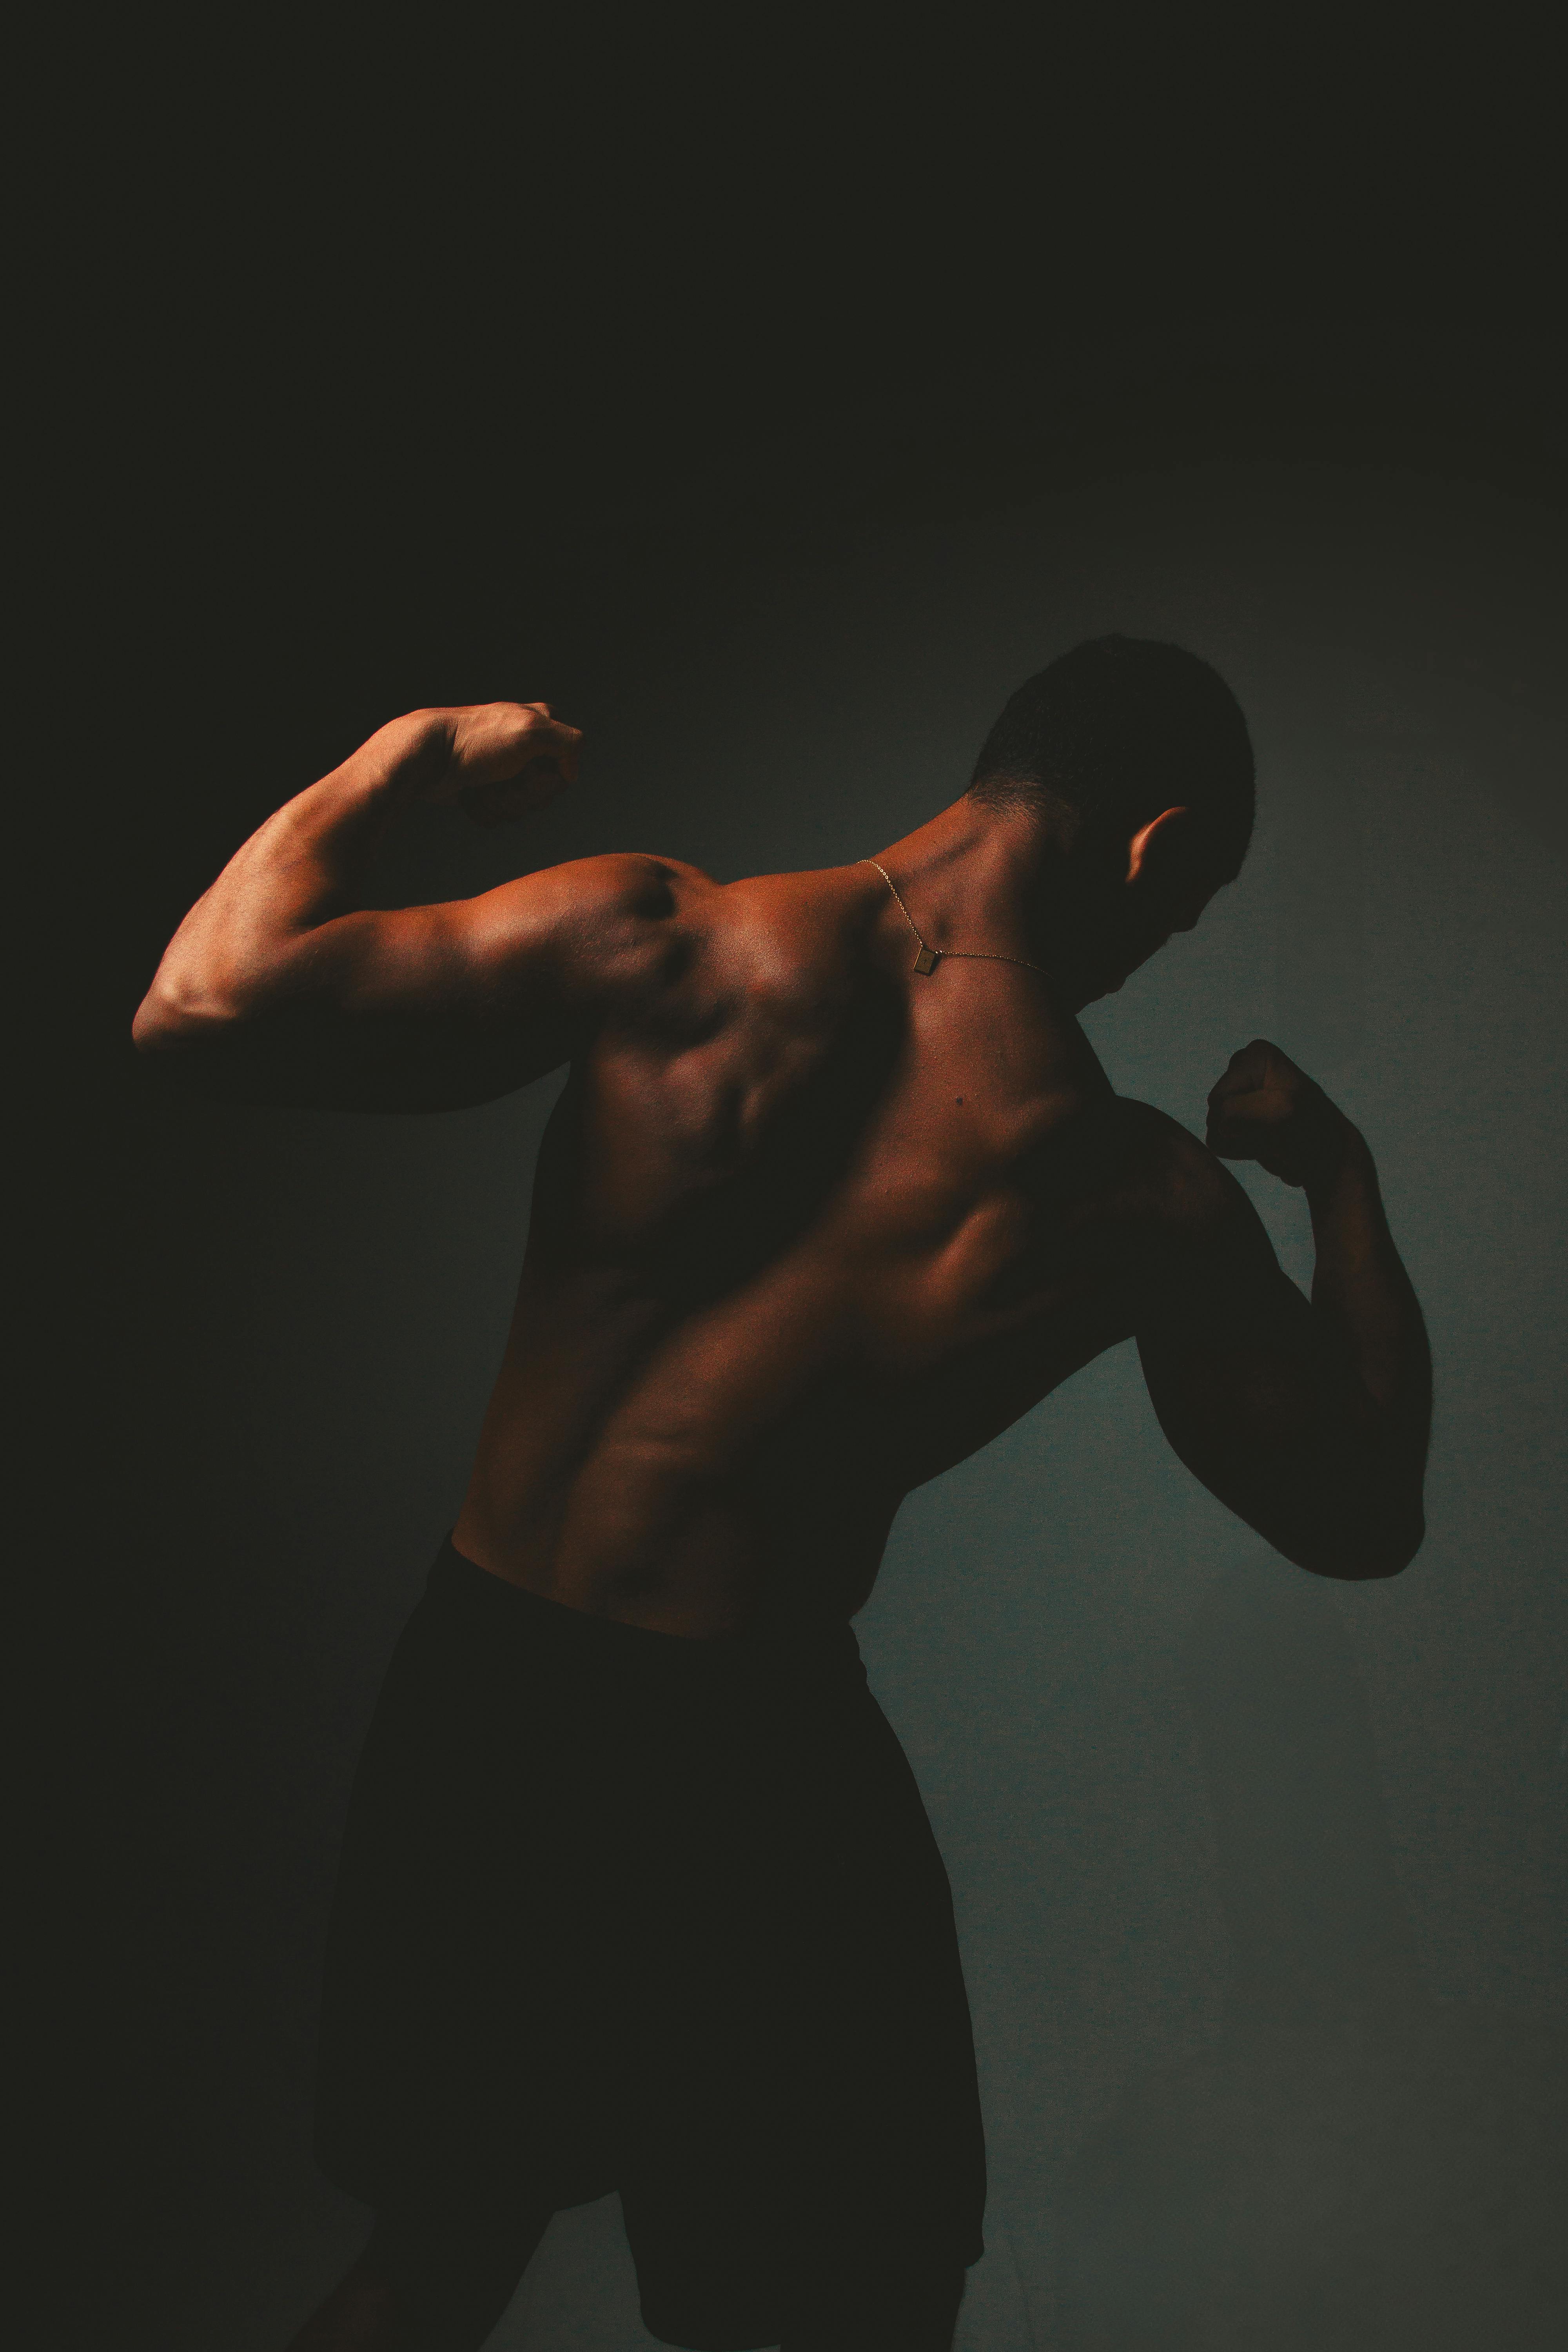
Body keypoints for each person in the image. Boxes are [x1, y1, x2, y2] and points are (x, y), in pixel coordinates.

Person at [132, 636, 1431, 2352]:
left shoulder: (666, 937)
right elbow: (1358, 1509)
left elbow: (201, 1004)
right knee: (844, 2307)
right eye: (1179, 915)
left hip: (494, 1691)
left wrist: (409, 754)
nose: (1152, 955)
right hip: (747, 1760)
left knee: (440, 2260)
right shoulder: (1128, 1197)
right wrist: (1337, 1169)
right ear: (1154, 849)